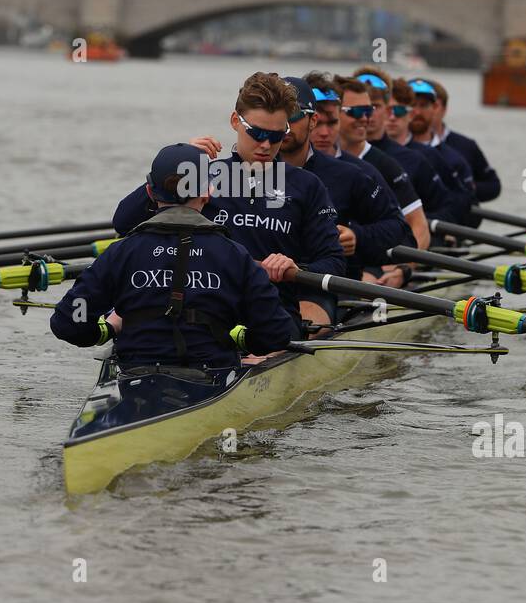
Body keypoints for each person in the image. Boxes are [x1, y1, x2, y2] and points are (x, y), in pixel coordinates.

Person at [52, 143, 298, 432]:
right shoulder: (235, 255)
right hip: (210, 380)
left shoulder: (121, 253)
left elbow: (67, 323)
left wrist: (107, 329)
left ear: (149, 193)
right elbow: (278, 333)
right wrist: (237, 337)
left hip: (133, 378)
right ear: (208, 192)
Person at [111, 71, 345, 335]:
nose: (266, 145)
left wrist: (294, 268)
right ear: (235, 121)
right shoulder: (204, 174)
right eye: (256, 133)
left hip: (268, 313)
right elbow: (124, 222)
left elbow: (333, 261)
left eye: (276, 136)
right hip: (203, 308)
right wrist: (177, 163)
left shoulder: (307, 186)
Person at [278, 76, 412, 286]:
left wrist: (358, 236)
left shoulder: (357, 173)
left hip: (330, 285)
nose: (323, 132)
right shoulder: (251, 169)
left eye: (331, 122)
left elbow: (401, 230)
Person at [303, 70, 430, 250]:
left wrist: (399, 271)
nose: (364, 119)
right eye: (355, 112)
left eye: (367, 111)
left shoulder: (372, 169)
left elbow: (409, 229)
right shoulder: (269, 167)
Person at [355, 67, 475, 226]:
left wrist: (425, 225)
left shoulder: (418, 158)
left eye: (374, 106)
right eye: (355, 110)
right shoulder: (328, 154)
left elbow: (457, 202)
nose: (366, 114)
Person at [407, 76, 501, 202]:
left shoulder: (465, 147)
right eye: (412, 105)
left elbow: (493, 185)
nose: (417, 112)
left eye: (425, 105)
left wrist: (467, 188)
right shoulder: (394, 146)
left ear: (441, 109)